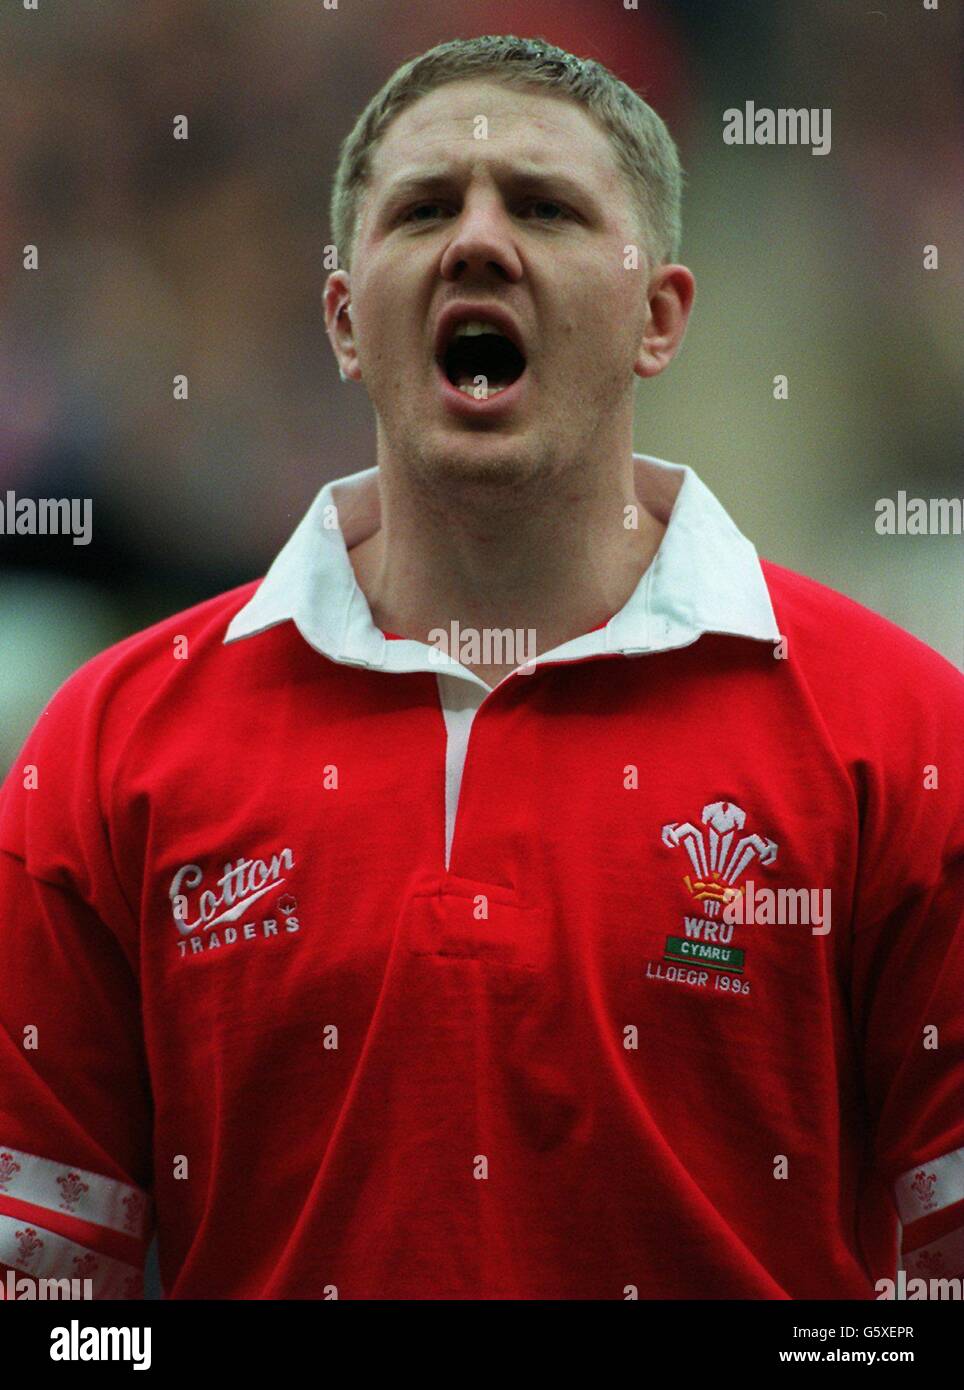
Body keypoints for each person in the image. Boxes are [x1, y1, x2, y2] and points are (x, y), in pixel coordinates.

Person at [0, 34, 961, 1301]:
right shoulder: (106, 744)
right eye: (425, 209)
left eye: (548, 207)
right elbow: (56, 1301)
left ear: (658, 317)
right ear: (344, 321)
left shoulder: (904, 734)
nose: (479, 240)